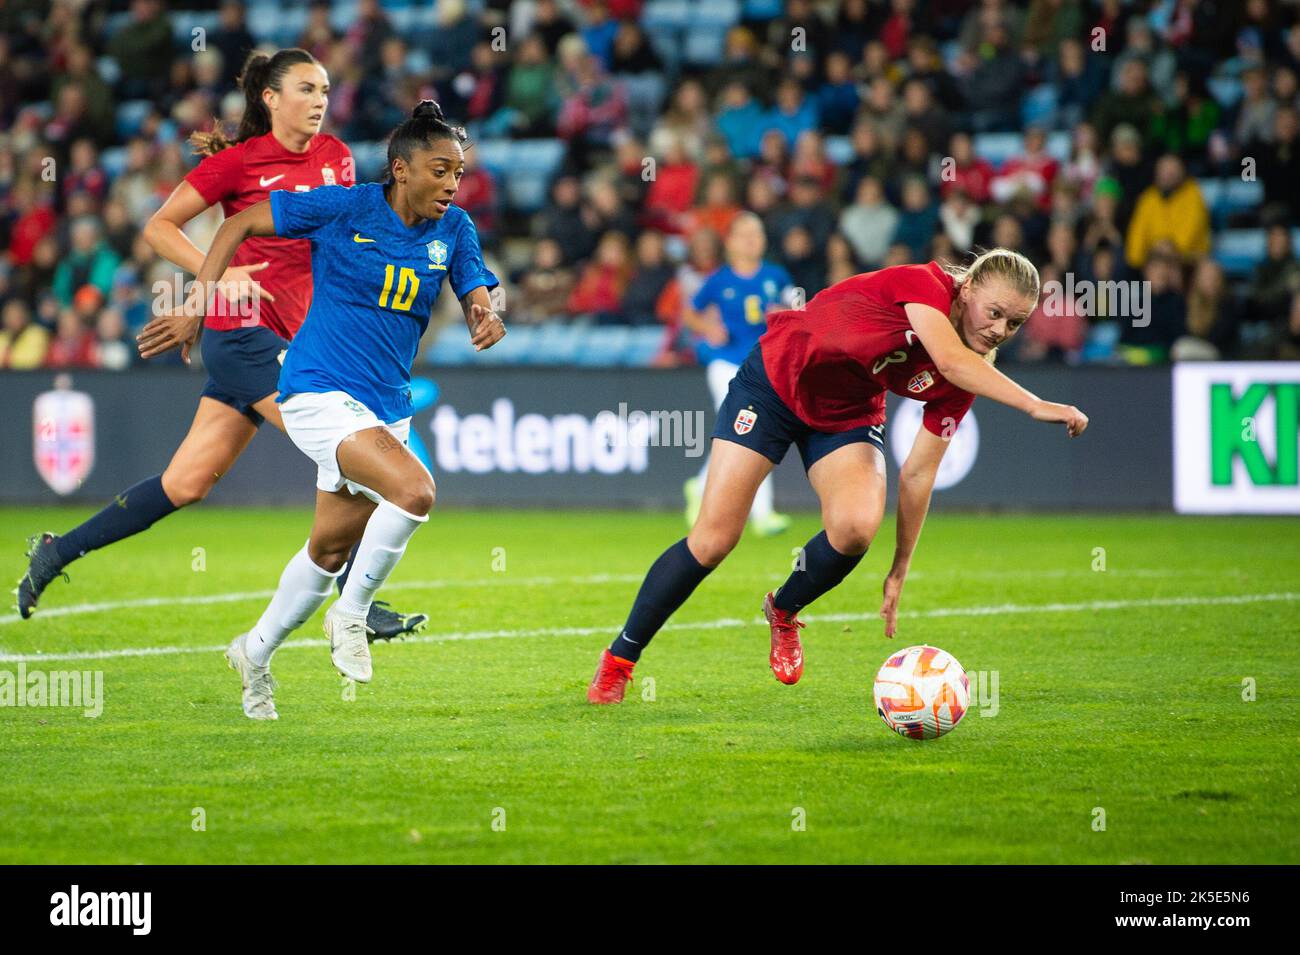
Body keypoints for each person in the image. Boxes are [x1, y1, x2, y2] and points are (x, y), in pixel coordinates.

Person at [16, 48, 428, 641]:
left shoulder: (337, 158)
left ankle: (57, 550)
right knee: (338, 441)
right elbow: (159, 226)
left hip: (298, 340)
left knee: (186, 483)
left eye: (325, 90)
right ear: (272, 98)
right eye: (308, 90)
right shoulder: (238, 164)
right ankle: (356, 603)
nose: (321, 102)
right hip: (241, 334)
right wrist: (217, 277)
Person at [587, 249, 1089, 703]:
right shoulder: (924, 285)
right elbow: (951, 361)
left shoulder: (966, 373)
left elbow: (918, 474)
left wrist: (899, 566)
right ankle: (619, 660)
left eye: (1015, 323)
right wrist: (1036, 404)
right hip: (774, 383)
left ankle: (783, 609)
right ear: (967, 289)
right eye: (994, 312)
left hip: (846, 413)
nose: (1000, 330)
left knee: (853, 531)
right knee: (714, 540)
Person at [144, 101, 503, 719]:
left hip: (385, 404)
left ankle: (253, 654)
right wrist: (199, 305)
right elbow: (235, 227)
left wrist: (483, 312)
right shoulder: (344, 206)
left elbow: (475, 287)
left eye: (458, 173)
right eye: (440, 171)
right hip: (315, 388)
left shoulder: (456, 228)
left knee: (329, 552)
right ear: (400, 168)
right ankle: (353, 615)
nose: (451, 184)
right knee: (416, 491)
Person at [682, 212, 793, 537]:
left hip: (763, 363)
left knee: (745, 432)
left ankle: (700, 486)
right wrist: (707, 328)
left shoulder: (776, 275)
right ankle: (763, 514)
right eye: (744, 234)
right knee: (751, 427)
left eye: (756, 234)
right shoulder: (720, 279)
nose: (751, 240)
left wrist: (784, 315)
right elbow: (690, 311)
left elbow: (798, 308)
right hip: (727, 363)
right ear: (730, 242)